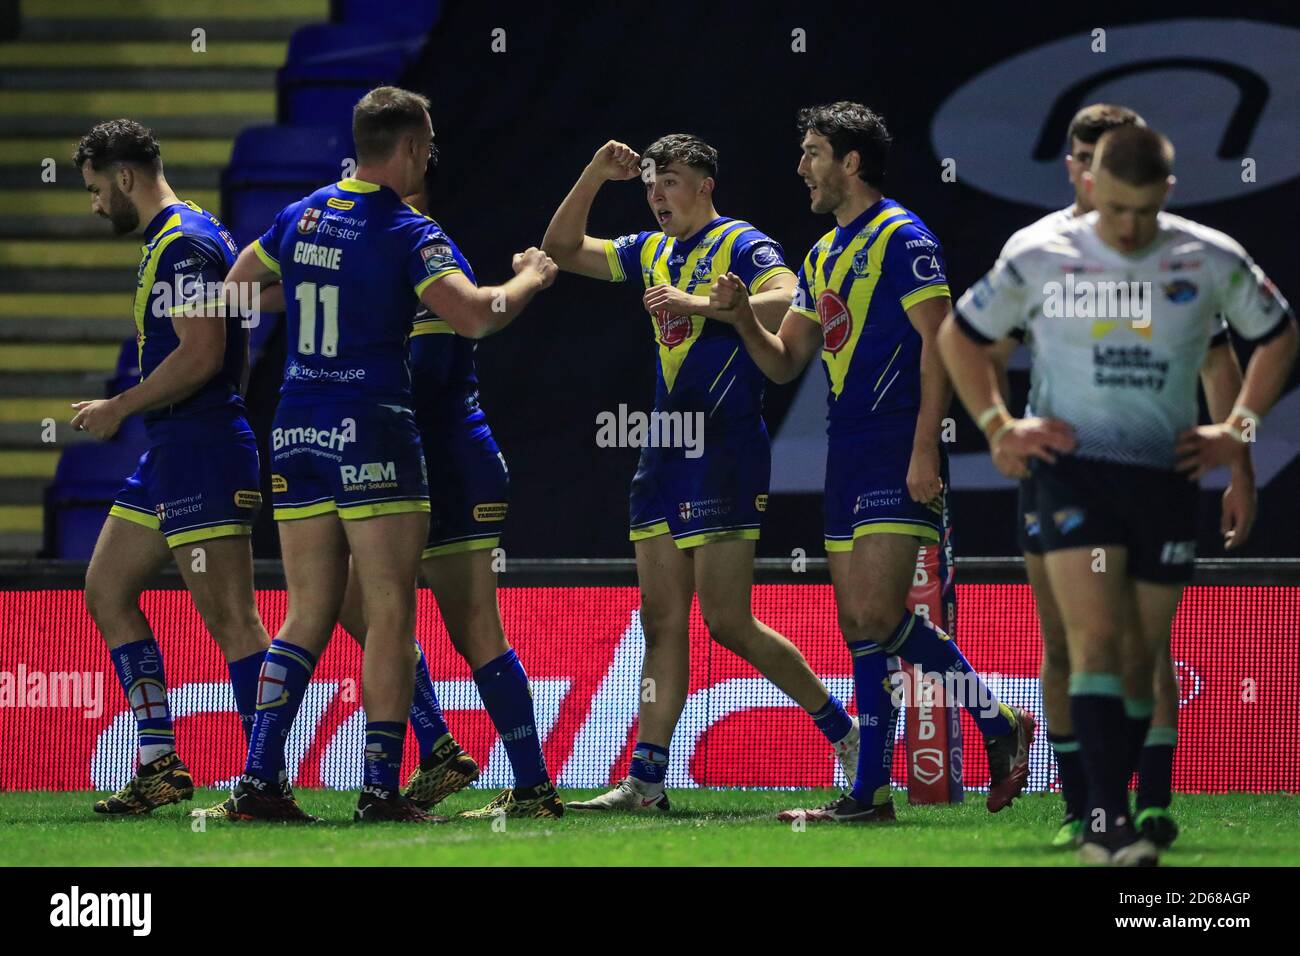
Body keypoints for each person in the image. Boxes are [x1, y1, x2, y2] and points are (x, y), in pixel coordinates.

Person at [938, 124, 1297, 864]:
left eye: (1144, 211)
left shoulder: (1209, 256)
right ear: (1090, 183)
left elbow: (1280, 334)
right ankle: (1104, 821)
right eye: (1116, 209)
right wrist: (997, 424)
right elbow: (960, 337)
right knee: (1090, 639)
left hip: (1163, 477)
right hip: (1071, 473)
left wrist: (1241, 431)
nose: (1129, 227)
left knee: (1140, 652)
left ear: (1167, 192)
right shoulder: (1040, 253)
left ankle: (1129, 806)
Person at [217, 86, 556, 822]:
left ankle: (258, 782)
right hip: (371, 427)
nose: (429, 157)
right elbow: (473, 312)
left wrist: (314, 288)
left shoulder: (301, 212)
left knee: (304, 612)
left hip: (296, 423)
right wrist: (532, 277)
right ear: (406, 148)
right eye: (427, 146)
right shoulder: (410, 232)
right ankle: (379, 788)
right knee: (390, 611)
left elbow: (239, 288)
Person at [707, 102, 1035, 823]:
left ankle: (994, 723)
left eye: (813, 153)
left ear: (851, 163)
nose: (801, 168)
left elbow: (939, 342)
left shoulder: (904, 236)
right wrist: (738, 320)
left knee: (880, 611)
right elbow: (789, 361)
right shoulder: (820, 255)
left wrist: (926, 447)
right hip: (844, 446)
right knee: (859, 621)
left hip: (895, 440)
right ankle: (872, 794)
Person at [543, 134, 860, 811]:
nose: (659, 196)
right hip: (663, 451)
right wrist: (595, 173)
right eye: (651, 184)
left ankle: (845, 733)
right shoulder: (652, 251)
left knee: (727, 622)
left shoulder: (742, 244)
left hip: (724, 450)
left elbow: (788, 298)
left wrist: (701, 306)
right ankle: (647, 783)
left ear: (708, 184)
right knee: (661, 620)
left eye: (673, 181)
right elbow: (563, 248)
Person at [72, 118, 271, 816]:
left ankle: (264, 779)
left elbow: (200, 354)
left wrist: (119, 405)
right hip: (173, 451)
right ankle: (159, 762)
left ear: (124, 177)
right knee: (106, 586)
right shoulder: (187, 233)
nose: (96, 204)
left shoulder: (184, 243)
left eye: (98, 189)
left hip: (203, 445)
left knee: (232, 620)